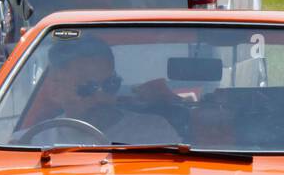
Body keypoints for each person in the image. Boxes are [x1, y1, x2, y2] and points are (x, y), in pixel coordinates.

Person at [19, 38, 180, 144]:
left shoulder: (153, 132)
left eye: (110, 84)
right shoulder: (32, 143)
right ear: (56, 90)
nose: (102, 97)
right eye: (87, 88)